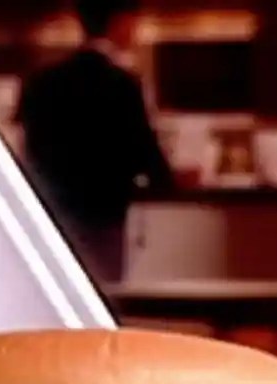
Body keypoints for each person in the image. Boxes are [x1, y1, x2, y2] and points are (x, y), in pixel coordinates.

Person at [16, 0, 173, 285]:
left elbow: (29, 150)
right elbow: (144, 154)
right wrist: (168, 181)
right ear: (120, 23)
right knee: (104, 295)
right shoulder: (121, 83)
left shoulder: (43, 82)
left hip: (55, 211)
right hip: (105, 213)